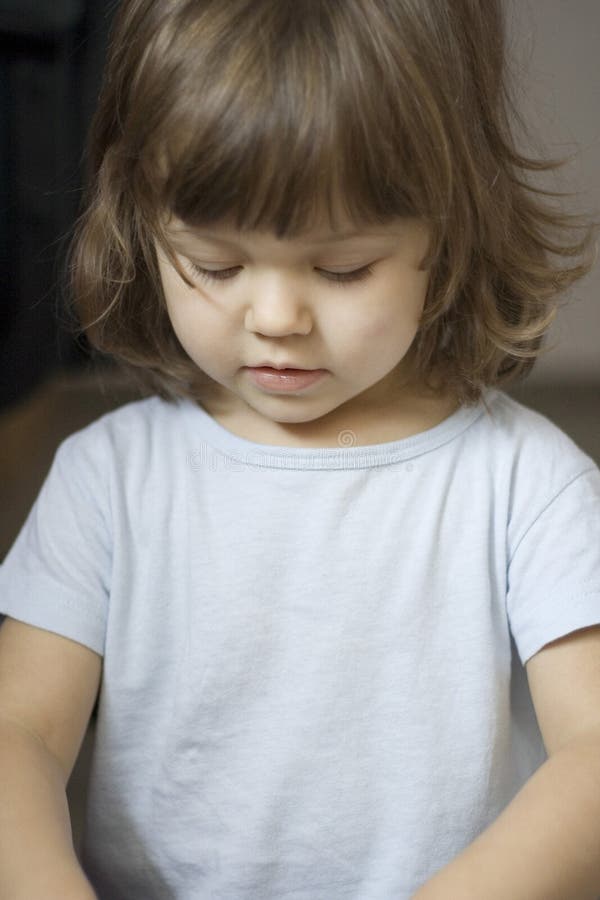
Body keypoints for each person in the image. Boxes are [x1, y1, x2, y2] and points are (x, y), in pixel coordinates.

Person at [0, 0, 599, 897]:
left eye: (342, 268)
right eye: (215, 264)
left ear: (448, 232)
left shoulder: (527, 484)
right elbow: (20, 731)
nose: (276, 318)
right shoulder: (109, 480)